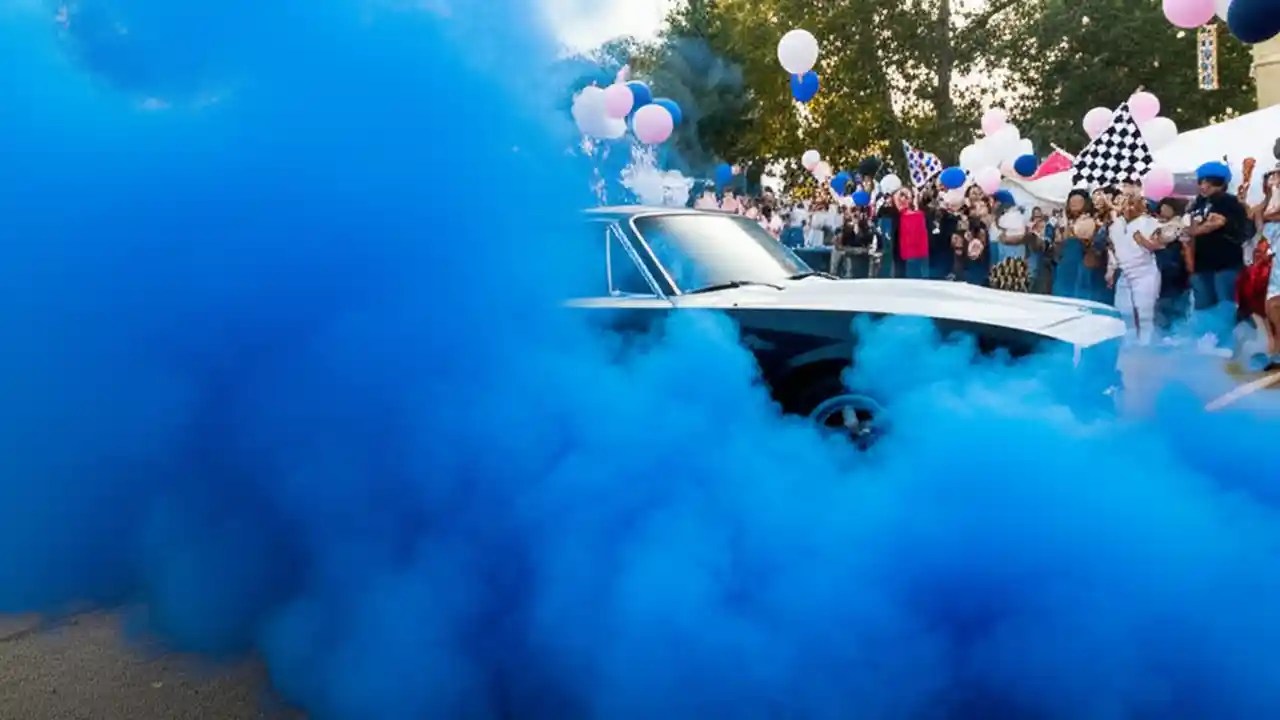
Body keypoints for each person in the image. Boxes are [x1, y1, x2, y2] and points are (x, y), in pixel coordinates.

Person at [1186, 161, 1248, 353]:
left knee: (1225, 304)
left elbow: (1215, 224)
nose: (1203, 186)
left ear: (1221, 183)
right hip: (1202, 263)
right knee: (1203, 305)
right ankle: (1207, 341)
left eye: (1209, 182)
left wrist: (1191, 230)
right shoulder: (1197, 203)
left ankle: (1227, 343)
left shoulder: (1227, 201)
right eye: (1201, 181)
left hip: (1226, 262)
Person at [1106, 189, 1162, 344]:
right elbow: (1113, 250)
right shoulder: (1116, 225)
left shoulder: (1150, 222)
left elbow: (1160, 244)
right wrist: (1110, 270)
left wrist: (1143, 241)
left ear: (1142, 205)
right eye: (1126, 204)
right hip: (1124, 274)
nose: (1129, 208)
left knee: (1144, 314)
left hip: (1145, 274)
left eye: (1133, 204)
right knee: (1124, 314)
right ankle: (1129, 348)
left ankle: (1145, 349)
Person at [1153, 198, 1191, 334]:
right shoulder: (1158, 224)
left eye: (1167, 207)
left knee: (1175, 303)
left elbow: (1167, 238)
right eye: (1162, 207)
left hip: (1177, 268)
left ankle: (1174, 332)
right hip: (1164, 269)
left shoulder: (1180, 224)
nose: (1164, 210)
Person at [1052, 190, 1097, 300]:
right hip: (1064, 265)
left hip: (1080, 265)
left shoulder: (1088, 221)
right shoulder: (1065, 222)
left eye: (1078, 201)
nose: (1074, 204)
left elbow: (1085, 239)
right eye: (1072, 201)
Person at [895, 188, 930, 278]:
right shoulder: (900, 214)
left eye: (906, 197)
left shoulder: (921, 213)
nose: (903, 199)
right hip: (910, 253)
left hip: (921, 252)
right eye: (901, 196)